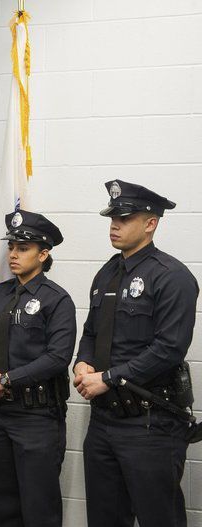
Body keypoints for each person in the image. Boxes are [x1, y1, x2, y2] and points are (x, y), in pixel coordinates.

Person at [73, 180, 198, 527]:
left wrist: (108, 378)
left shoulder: (172, 276)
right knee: (105, 517)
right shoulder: (107, 272)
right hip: (104, 422)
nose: (114, 224)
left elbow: (169, 349)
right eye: (112, 217)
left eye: (125, 218)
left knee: (160, 518)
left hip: (149, 424)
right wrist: (82, 362)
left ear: (150, 223)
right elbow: (91, 331)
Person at [0, 209, 76, 527]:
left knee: (39, 508)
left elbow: (57, 358)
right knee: (2, 507)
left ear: (43, 254)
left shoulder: (57, 300)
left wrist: (7, 379)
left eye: (22, 248)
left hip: (35, 418)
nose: (13, 254)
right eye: (11, 247)